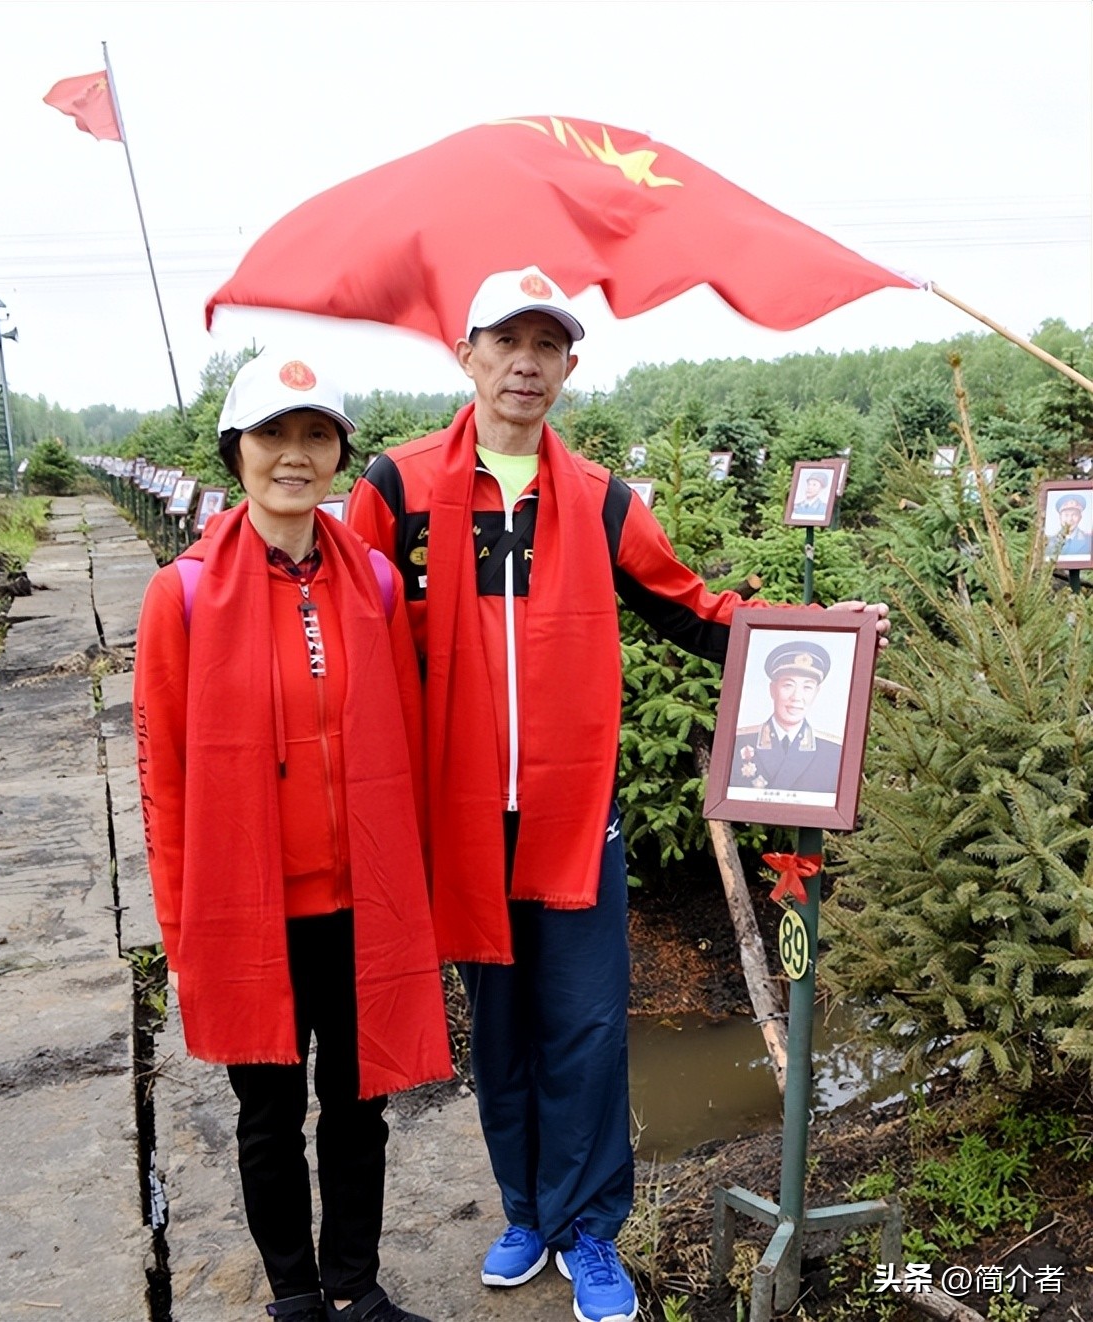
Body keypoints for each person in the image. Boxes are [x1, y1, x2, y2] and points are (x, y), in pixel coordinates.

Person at [347, 265, 890, 1322]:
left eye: (547, 345)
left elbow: (695, 611)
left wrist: (828, 630)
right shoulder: (398, 489)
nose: (525, 363)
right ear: (466, 353)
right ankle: (526, 1211)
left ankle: (591, 1228)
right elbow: (339, 614)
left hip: (569, 811)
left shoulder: (598, 501)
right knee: (496, 1027)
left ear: (569, 367)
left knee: (590, 1027)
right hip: (455, 814)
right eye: (507, 340)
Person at [133, 352, 451, 1322]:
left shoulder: (379, 584)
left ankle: (356, 1281)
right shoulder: (180, 595)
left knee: (361, 1110)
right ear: (237, 451)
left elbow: (404, 736)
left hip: (361, 904)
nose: (296, 455)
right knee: (269, 1116)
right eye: (274, 433)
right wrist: (187, 933)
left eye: (318, 434)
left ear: (340, 452)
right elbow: (165, 780)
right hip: (252, 909)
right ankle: (296, 1293)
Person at [730, 642, 842, 794]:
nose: (796, 697)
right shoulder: (737, 742)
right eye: (788, 685)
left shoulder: (833, 752)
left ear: (816, 693)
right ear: (772, 689)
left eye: (807, 687)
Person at [1046, 492, 1093, 558]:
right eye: (1066, 515)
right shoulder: (1049, 541)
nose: (1070, 519)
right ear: (1060, 517)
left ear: (1080, 518)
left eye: (1074, 515)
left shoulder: (1089, 540)